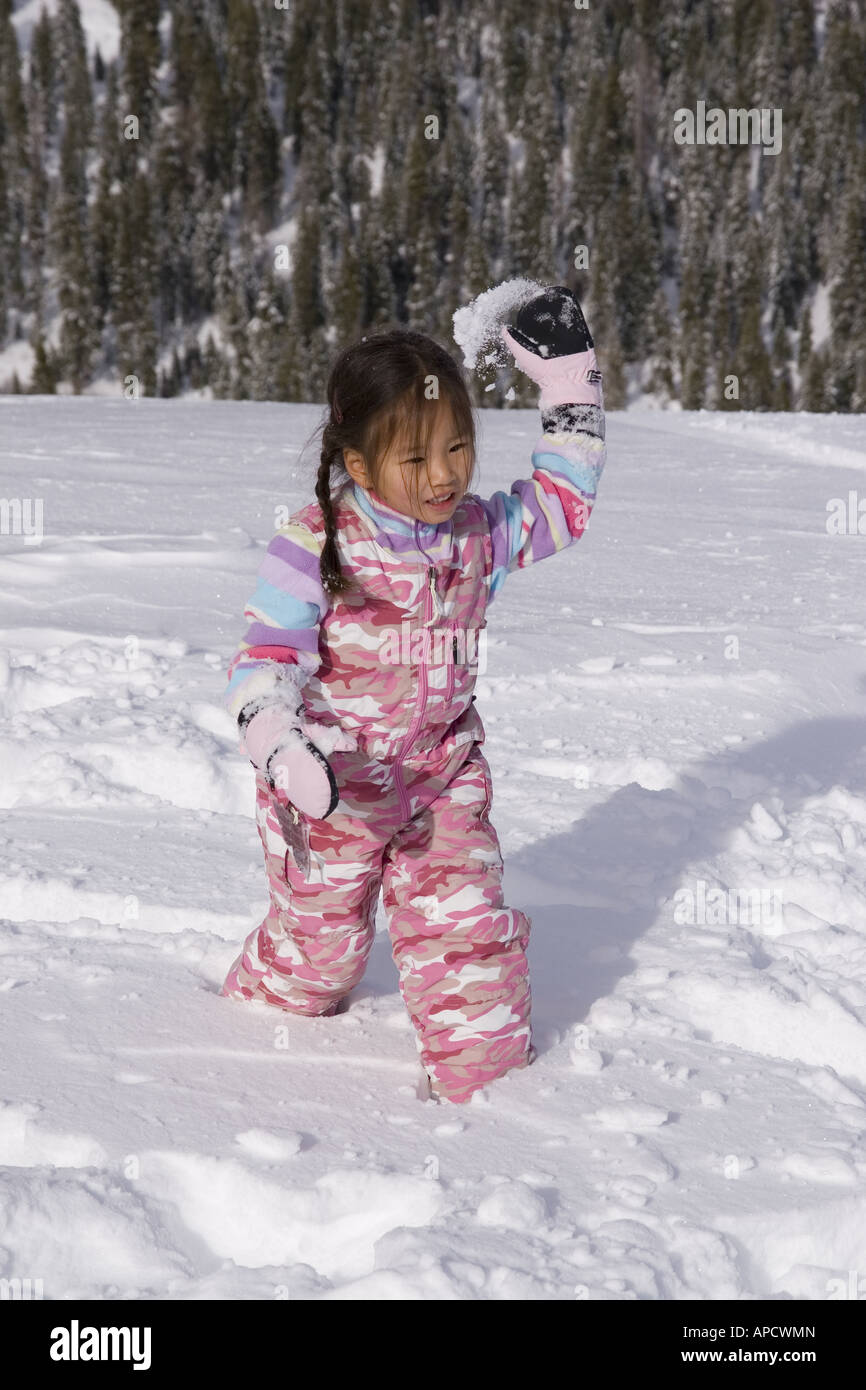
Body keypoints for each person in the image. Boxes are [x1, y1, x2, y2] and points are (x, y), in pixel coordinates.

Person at [219, 285, 607, 1104]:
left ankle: (489, 1115)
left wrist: (571, 386)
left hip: (440, 779)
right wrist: (283, 749)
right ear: (358, 464)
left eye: (459, 447)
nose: (446, 476)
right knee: (315, 965)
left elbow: (563, 506)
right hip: (331, 791)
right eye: (418, 458)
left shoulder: (479, 531)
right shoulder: (317, 541)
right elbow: (263, 665)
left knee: (469, 956)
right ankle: (241, 1035)